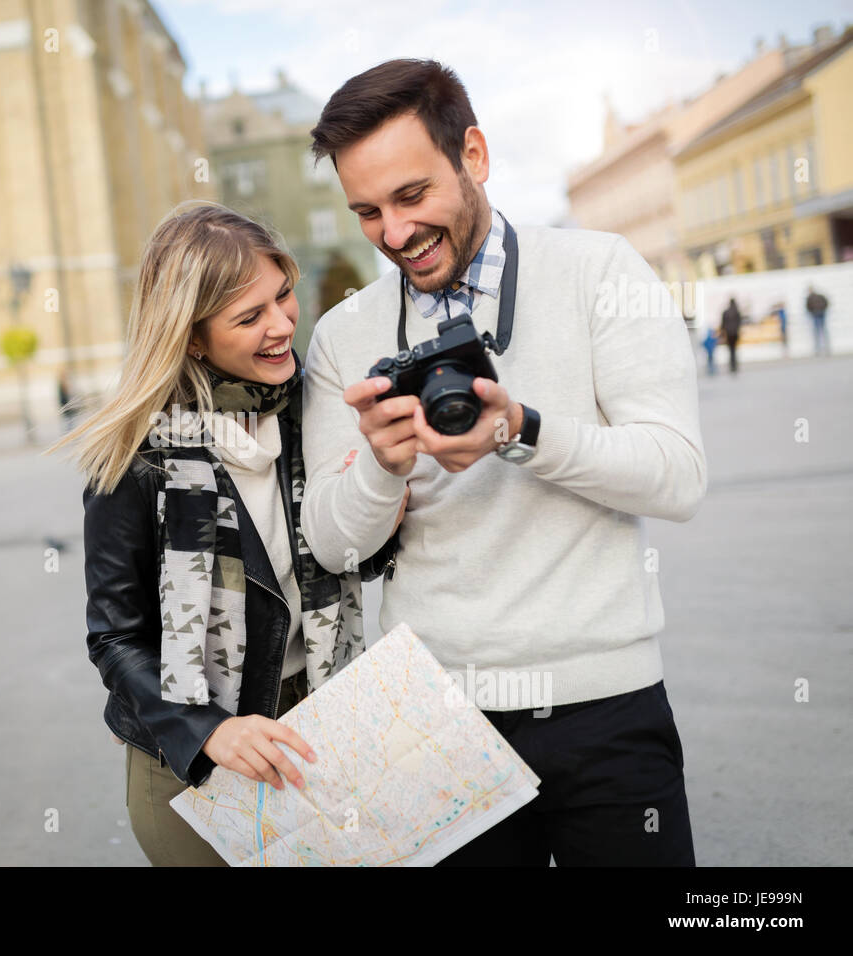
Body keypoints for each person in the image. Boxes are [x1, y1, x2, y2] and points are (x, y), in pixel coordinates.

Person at [301, 59, 706, 866]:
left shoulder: (600, 271)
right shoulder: (343, 336)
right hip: (436, 721)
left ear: (474, 156)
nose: (393, 234)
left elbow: (676, 476)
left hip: (608, 704)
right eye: (367, 212)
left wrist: (522, 431)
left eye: (413, 197)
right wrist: (380, 467)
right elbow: (333, 548)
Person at [48, 202, 397, 866]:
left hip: (319, 716)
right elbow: (114, 638)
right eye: (249, 317)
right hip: (191, 754)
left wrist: (383, 492)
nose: (281, 326)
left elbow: (348, 554)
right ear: (193, 337)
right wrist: (209, 731)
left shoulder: (311, 409)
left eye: (283, 296)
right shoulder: (135, 460)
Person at [719, 297, 743, 374]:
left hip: (728, 334)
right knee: (734, 350)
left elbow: (722, 324)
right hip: (735, 333)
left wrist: (722, 334)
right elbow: (740, 323)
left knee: (730, 350)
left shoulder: (725, 312)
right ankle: (734, 366)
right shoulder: (737, 312)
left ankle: (732, 366)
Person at [806, 285, 830, 356]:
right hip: (820, 313)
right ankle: (824, 348)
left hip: (817, 314)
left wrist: (813, 311)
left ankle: (820, 349)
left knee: (818, 332)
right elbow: (826, 302)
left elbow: (808, 306)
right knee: (822, 331)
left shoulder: (810, 298)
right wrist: (823, 309)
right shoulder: (819, 296)